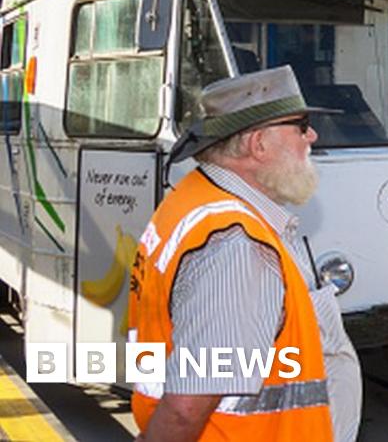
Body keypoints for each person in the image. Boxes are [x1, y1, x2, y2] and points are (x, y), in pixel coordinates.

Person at [128, 66, 361, 442]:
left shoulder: (196, 199)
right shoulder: (238, 245)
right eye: (301, 125)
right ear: (258, 144)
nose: (312, 136)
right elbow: (187, 407)